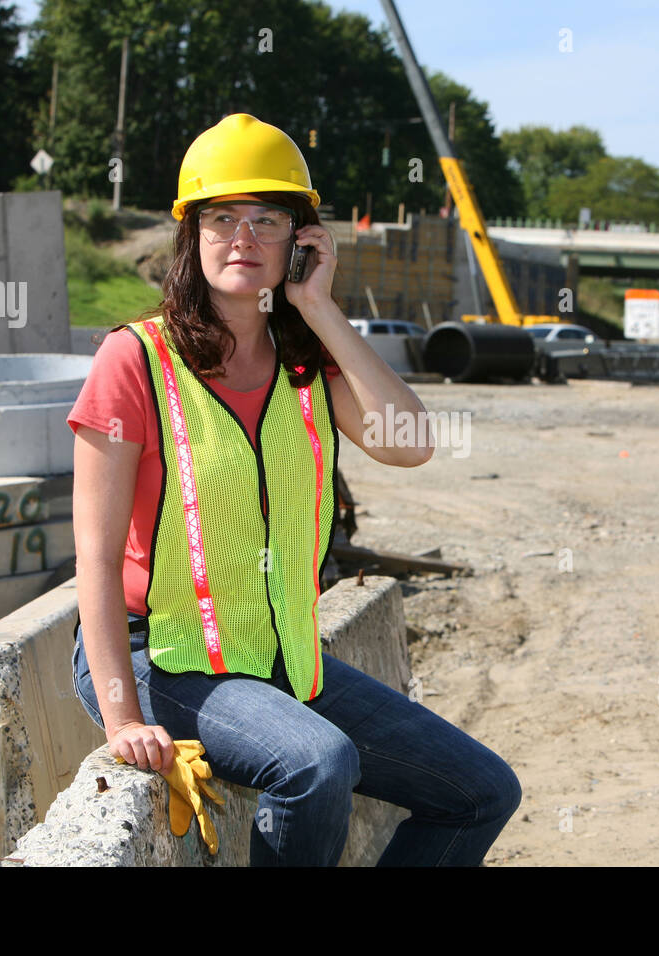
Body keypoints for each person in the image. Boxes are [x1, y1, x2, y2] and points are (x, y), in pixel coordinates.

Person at [67, 113, 520, 866]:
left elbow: (409, 444)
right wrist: (123, 716)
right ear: (193, 236)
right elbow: (96, 556)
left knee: (481, 791)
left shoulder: (305, 361)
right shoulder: (133, 360)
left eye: (267, 219)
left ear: (301, 241)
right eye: (221, 218)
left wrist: (319, 307)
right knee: (316, 763)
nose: (242, 237)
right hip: (163, 659)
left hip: (278, 656)